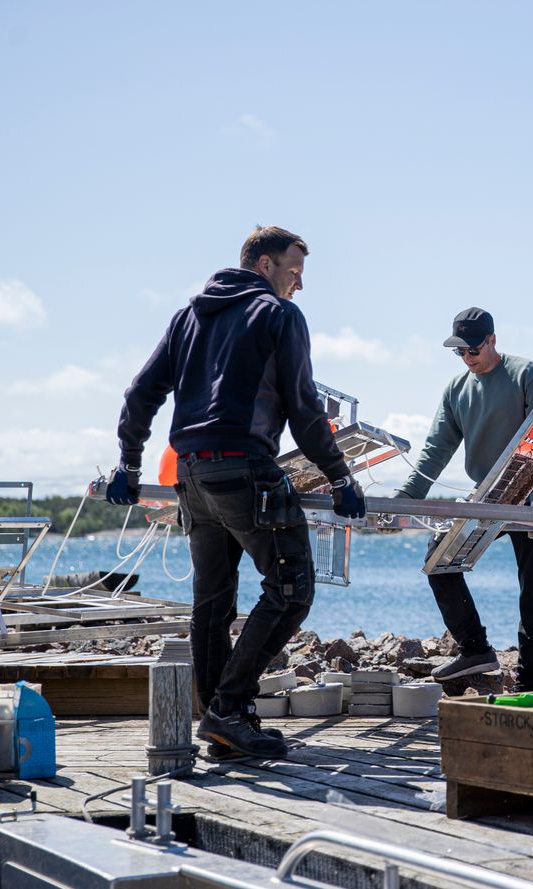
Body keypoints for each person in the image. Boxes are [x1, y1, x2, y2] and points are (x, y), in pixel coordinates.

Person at [107, 225, 366, 759]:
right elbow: (304, 409)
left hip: (191, 477)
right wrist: (340, 477)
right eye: (294, 271)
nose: (299, 285)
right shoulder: (278, 315)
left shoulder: (188, 316)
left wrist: (129, 465)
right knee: (292, 589)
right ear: (265, 265)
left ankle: (224, 722)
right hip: (244, 470)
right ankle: (228, 709)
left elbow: (139, 394)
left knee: (213, 600)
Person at [392, 308, 533, 691]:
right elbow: (436, 448)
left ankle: (531, 677)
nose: (467, 357)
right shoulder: (457, 390)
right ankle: (475, 649)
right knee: (439, 561)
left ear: (492, 340)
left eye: (473, 349)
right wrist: (407, 496)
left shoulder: (526, 373)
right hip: (488, 494)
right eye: (460, 352)